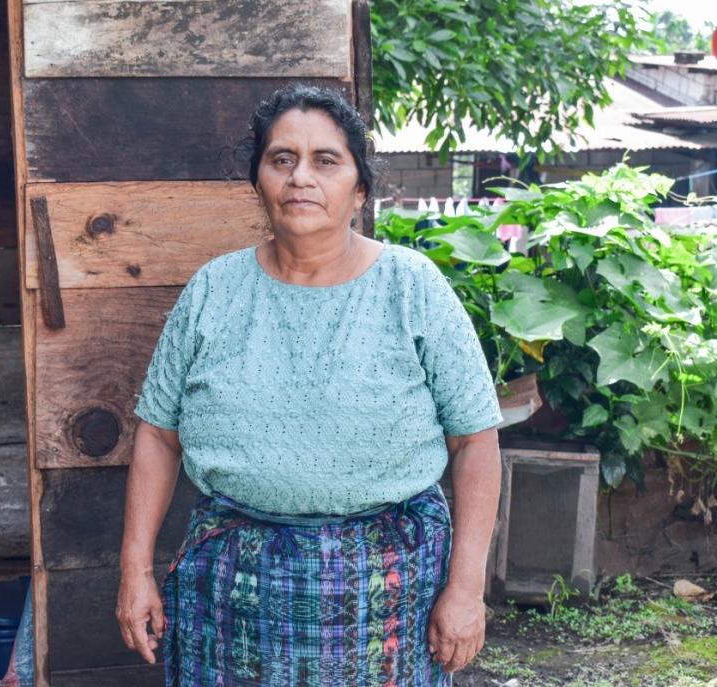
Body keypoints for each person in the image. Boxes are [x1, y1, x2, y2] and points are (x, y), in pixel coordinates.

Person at [117, 84, 502, 687]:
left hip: (387, 585)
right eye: (281, 159)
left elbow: (476, 443)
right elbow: (159, 435)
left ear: (360, 192)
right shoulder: (214, 289)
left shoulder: (412, 287)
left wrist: (466, 587)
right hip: (235, 589)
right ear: (259, 184)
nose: (301, 177)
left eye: (326, 160)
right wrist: (134, 569)